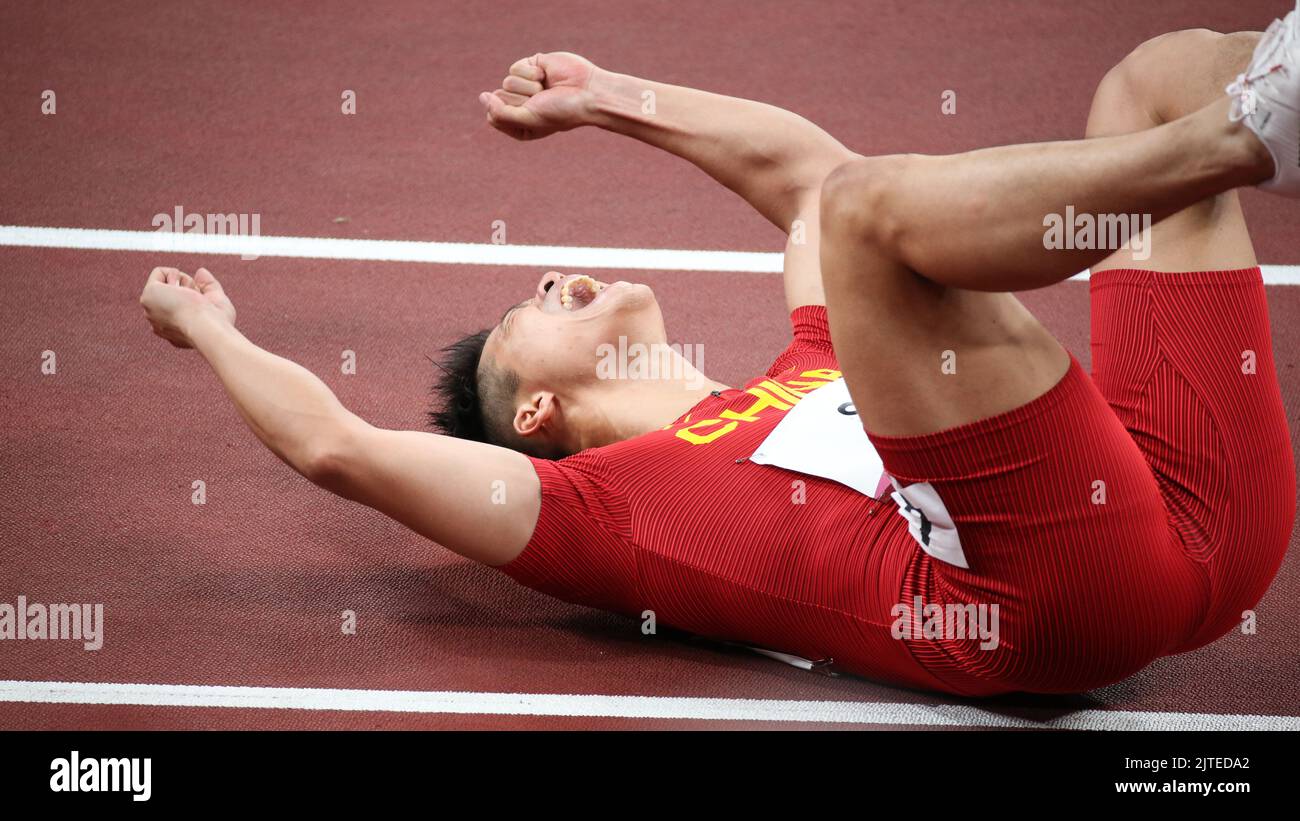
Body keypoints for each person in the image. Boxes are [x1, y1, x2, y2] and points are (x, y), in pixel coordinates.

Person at [139, 13, 1298, 695]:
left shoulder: (805, 365)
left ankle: (1241, 111)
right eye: (525, 312)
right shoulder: (598, 508)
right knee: (859, 217)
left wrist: (608, 98)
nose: (551, 275)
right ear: (536, 411)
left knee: (1152, 77)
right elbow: (334, 445)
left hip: (1196, 522)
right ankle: (1251, 130)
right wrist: (211, 329)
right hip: (1031, 604)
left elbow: (796, 172)